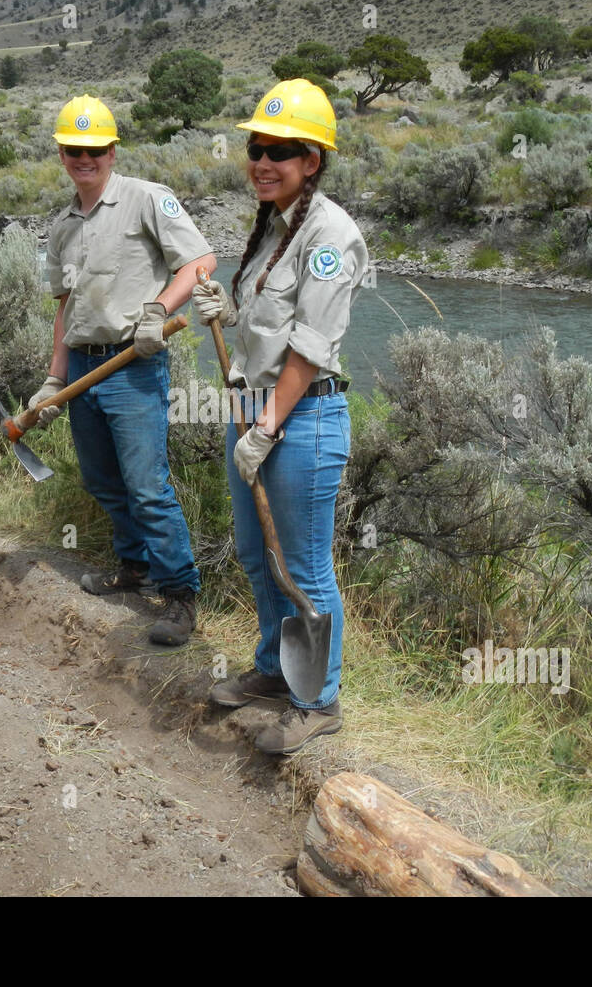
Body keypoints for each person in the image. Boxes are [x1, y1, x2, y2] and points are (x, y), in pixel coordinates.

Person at [192, 79, 371, 754]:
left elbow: (308, 348)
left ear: (313, 160)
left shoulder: (331, 236)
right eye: (257, 148)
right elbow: (271, 326)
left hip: (302, 420)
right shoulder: (275, 223)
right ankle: (274, 668)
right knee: (255, 552)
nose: (264, 162)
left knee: (303, 564)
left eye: (282, 152)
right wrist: (227, 313)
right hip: (254, 412)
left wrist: (265, 428)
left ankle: (318, 699)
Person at [29, 95, 217, 645]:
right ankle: (133, 569)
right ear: (62, 155)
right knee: (103, 481)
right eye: (74, 150)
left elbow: (200, 262)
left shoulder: (147, 200)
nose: (85, 158)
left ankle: (180, 595)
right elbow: (65, 308)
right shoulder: (62, 226)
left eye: (96, 150)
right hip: (84, 369)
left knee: (147, 487)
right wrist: (53, 378)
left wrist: (161, 309)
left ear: (112, 152)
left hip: (133, 367)